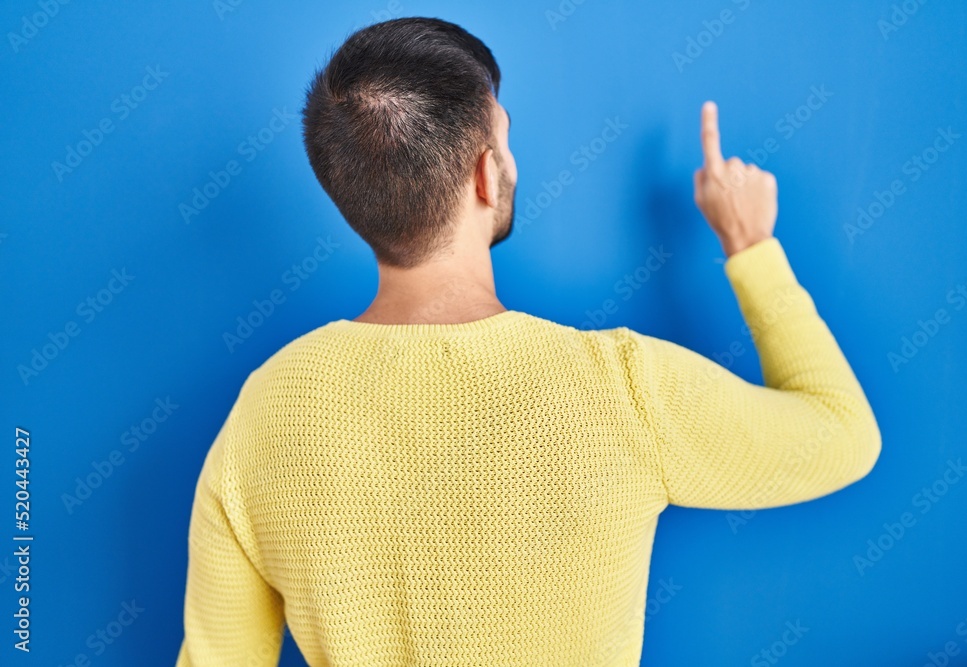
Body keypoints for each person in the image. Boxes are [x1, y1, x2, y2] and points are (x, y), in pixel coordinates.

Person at [175, 17, 880, 666]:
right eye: (504, 138)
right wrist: (751, 247)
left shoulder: (263, 413)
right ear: (488, 174)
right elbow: (844, 433)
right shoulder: (619, 386)